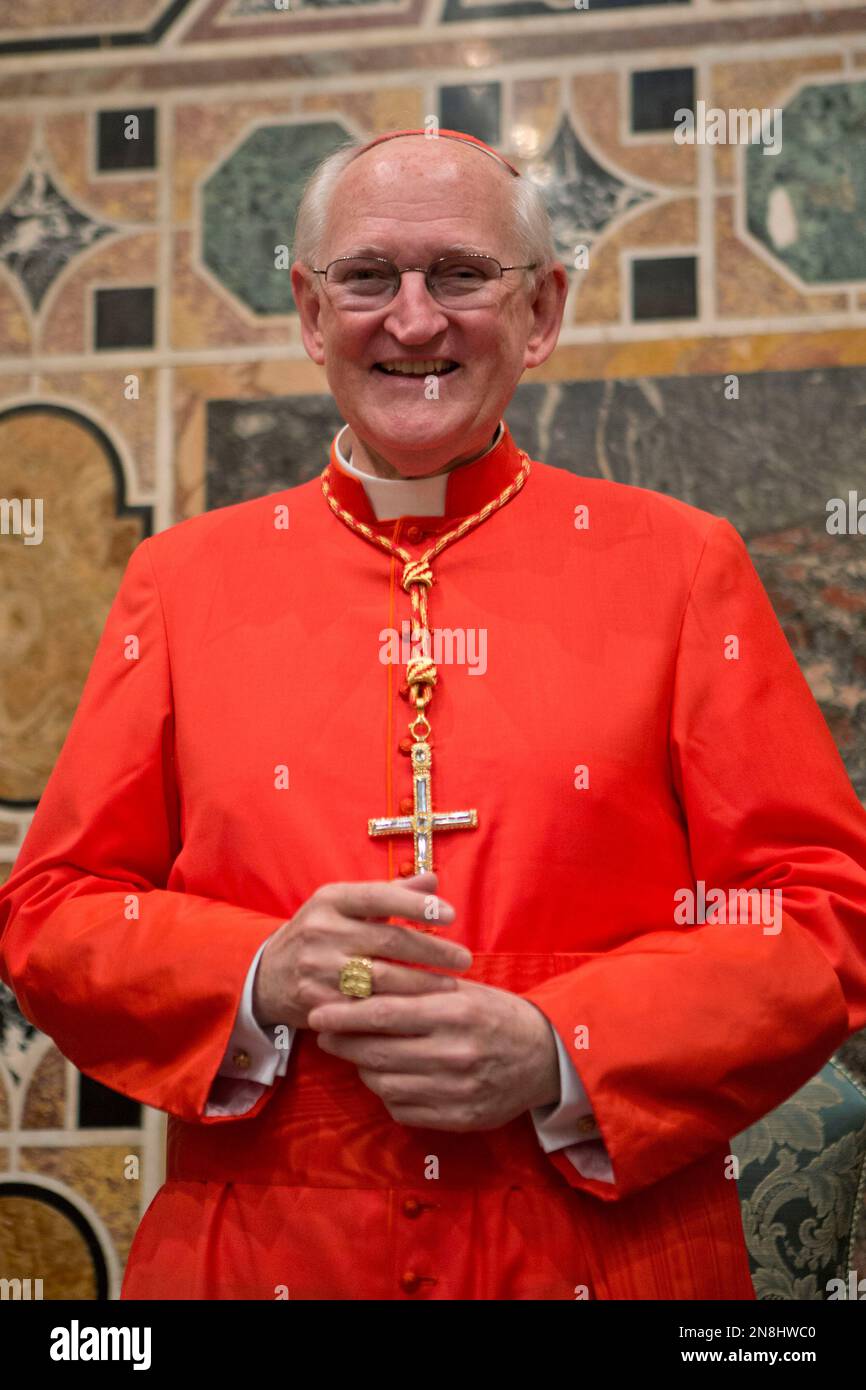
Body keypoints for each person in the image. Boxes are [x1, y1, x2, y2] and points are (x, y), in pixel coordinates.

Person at [2, 127, 865, 1301]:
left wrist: (564, 1048)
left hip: (599, 1255)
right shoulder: (181, 580)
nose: (412, 321)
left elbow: (812, 913)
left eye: (459, 275)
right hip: (261, 1254)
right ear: (311, 312)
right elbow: (55, 912)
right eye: (366, 278)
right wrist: (259, 970)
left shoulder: (680, 566)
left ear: (541, 308)